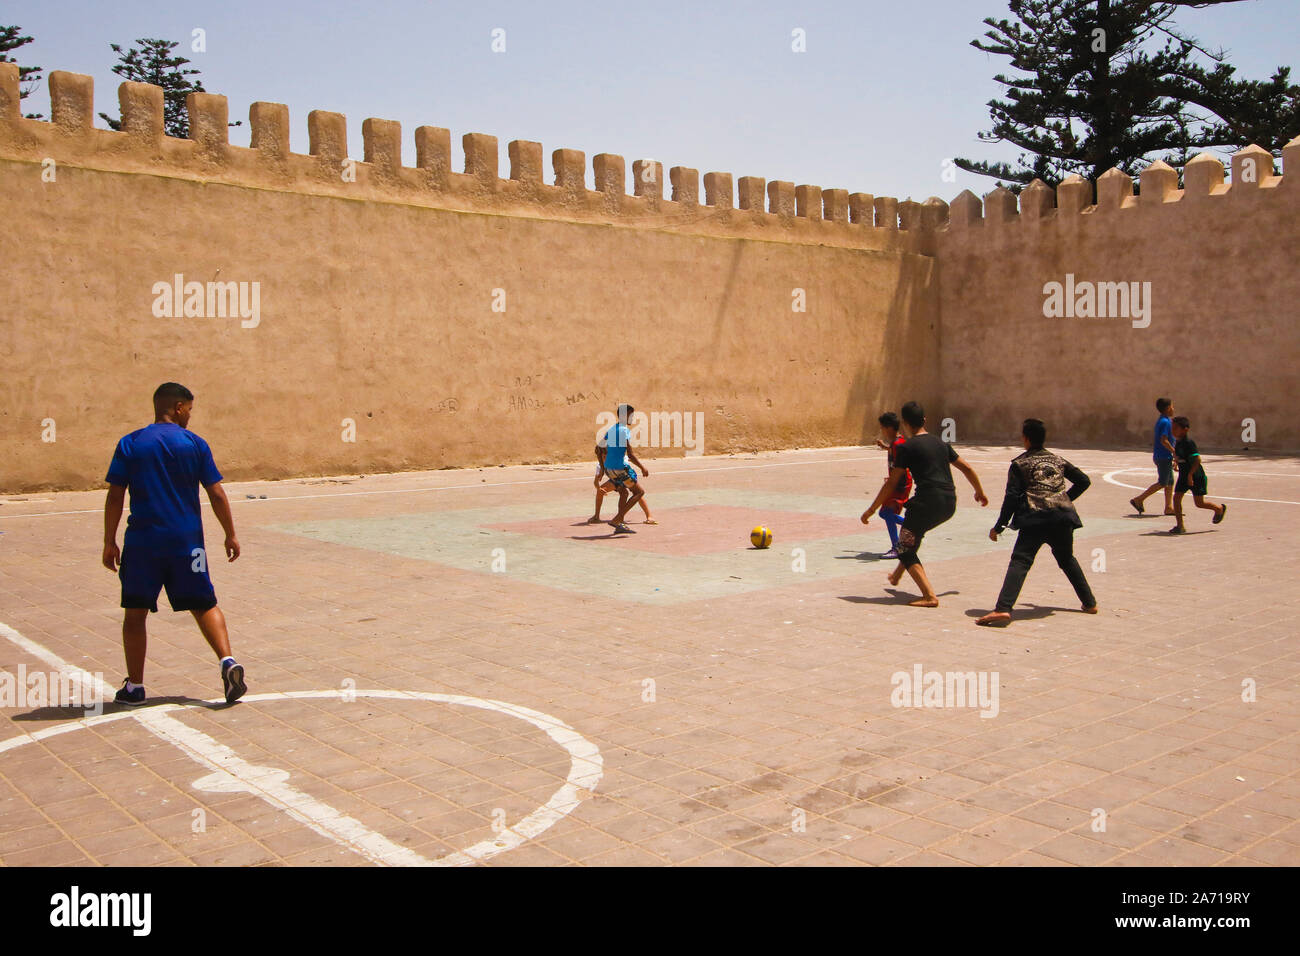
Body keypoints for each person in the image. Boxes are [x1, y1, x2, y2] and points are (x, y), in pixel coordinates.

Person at [102, 383, 246, 706]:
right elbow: (216, 493)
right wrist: (230, 533)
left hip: (143, 544)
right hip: (187, 543)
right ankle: (227, 661)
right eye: (190, 410)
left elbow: (115, 494)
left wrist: (110, 540)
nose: (190, 417)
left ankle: (135, 687)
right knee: (204, 604)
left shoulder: (131, 443)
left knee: (135, 612)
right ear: (179, 407)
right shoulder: (194, 444)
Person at [861, 401, 987, 607]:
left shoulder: (907, 447)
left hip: (926, 502)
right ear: (924, 420)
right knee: (912, 537)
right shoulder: (940, 443)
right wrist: (979, 492)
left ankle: (929, 596)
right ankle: (897, 575)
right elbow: (967, 468)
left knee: (904, 547)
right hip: (949, 503)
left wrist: (871, 509)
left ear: (904, 423)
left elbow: (893, 481)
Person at [976, 419, 1099, 627]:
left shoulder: (1019, 464)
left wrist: (999, 526)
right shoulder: (1058, 460)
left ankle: (1003, 609)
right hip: (1062, 517)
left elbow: (1012, 498)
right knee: (1066, 558)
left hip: (1035, 519)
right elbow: (1084, 481)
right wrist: (1063, 498)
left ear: (1025, 438)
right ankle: (1089, 603)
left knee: (1021, 561)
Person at [598, 404, 650, 534]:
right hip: (620, 468)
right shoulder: (623, 430)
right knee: (639, 493)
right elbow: (630, 455)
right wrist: (642, 468)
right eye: (631, 414)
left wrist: (603, 468)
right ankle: (617, 519)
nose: (632, 417)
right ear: (625, 415)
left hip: (610, 469)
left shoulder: (611, 429)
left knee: (624, 493)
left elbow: (598, 449)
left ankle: (619, 524)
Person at [1170, 416, 1227, 534]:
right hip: (1183, 476)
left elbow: (1197, 460)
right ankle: (1180, 526)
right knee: (1176, 498)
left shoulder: (1189, 443)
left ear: (1185, 429)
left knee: (1199, 503)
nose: (1173, 430)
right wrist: (1176, 462)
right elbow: (1179, 455)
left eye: (1176, 428)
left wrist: (1190, 475)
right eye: (1172, 427)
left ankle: (1219, 509)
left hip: (1196, 476)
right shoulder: (1178, 442)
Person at [872, 412, 911, 559]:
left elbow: (904, 462)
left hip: (900, 484)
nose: (881, 430)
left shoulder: (899, 444)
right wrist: (885, 447)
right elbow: (896, 455)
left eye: (882, 428)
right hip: (897, 482)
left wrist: (894, 480)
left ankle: (897, 547)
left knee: (887, 514)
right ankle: (911, 526)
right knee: (884, 513)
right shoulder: (896, 444)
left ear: (888, 428)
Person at [1130, 397, 1177, 516]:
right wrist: (1174, 452)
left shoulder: (1164, 420)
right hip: (1163, 456)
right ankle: (1139, 499)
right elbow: (1164, 440)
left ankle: (1169, 507)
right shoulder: (1165, 422)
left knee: (1170, 482)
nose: (1173, 409)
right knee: (1162, 482)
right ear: (1167, 408)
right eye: (1172, 406)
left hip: (1163, 456)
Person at [588, 443, 655, 525]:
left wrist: (641, 467)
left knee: (630, 493)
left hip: (618, 476)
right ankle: (616, 518)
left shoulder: (618, 458)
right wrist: (599, 488)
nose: (604, 458)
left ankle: (648, 516)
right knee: (637, 493)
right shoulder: (603, 463)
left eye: (605, 456)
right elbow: (596, 481)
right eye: (603, 456)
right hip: (619, 476)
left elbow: (629, 458)